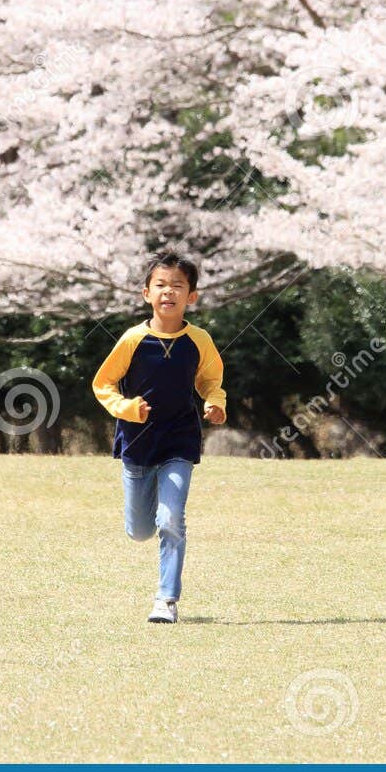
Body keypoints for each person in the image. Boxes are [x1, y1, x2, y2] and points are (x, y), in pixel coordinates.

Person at [91, 252, 226, 623]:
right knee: (139, 531)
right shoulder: (134, 339)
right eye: (161, 285)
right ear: (146, 293)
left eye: (178, 286)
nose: (169, 292)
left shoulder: (199, 340)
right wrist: (127, 408)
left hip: (179, 442)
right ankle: (141, 527)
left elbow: (211, 382)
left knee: (171, 519)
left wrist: (215, 403)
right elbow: (102, 384)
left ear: (192, 297)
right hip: (137, 444)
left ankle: (166, 600)